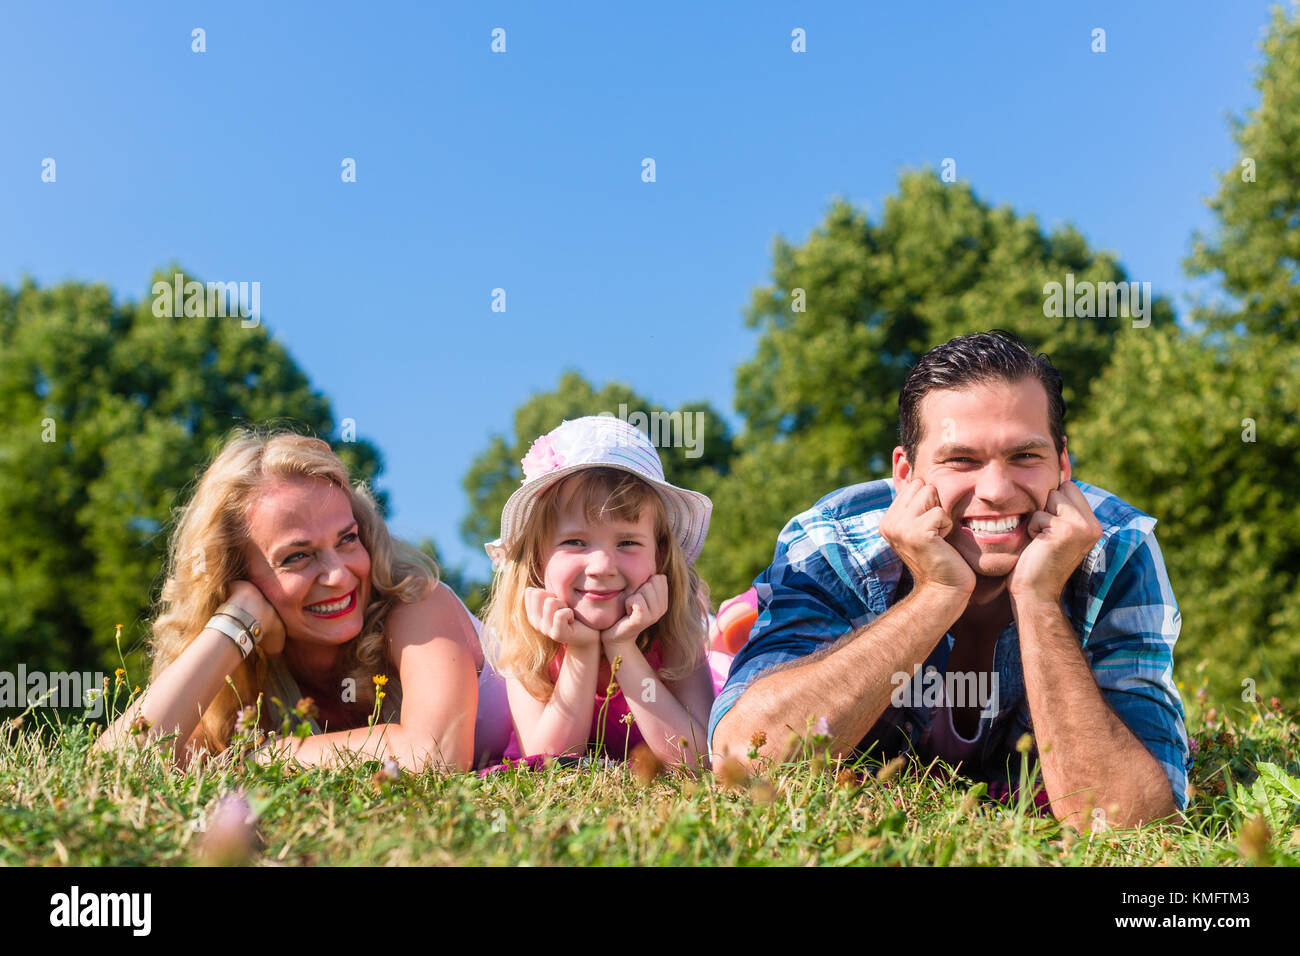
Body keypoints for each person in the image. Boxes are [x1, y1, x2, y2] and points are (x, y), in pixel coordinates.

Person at [709, 331, 1191, 829]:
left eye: (1025, 456)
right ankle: (724, 635)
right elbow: (745, 765)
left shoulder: (1117, 550)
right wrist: (936, 594)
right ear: (904, 473)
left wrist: (1039, 600)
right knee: (728, 671)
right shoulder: (833, 544)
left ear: (1063, 466)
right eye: (961, 460)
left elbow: (1132, 823)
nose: (997, 492)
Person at [94, 428, 512, 771]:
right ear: (237, 575)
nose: (338, 574)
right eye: (297, 556)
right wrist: (236, 623)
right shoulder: (245, 675)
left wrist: (259, 758)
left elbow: (434, 755)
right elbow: (119, 767)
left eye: (347, 539)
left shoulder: (415, 602)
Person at [480, 415, 722, 769]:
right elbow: (546, 762)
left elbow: (695, 759)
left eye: (627, 542)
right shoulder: (524, 640)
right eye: (575, 542)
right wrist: (581, 649)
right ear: (537, 560)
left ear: (660, 555)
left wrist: (622, 647)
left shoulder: (675, 632)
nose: (602, 565)